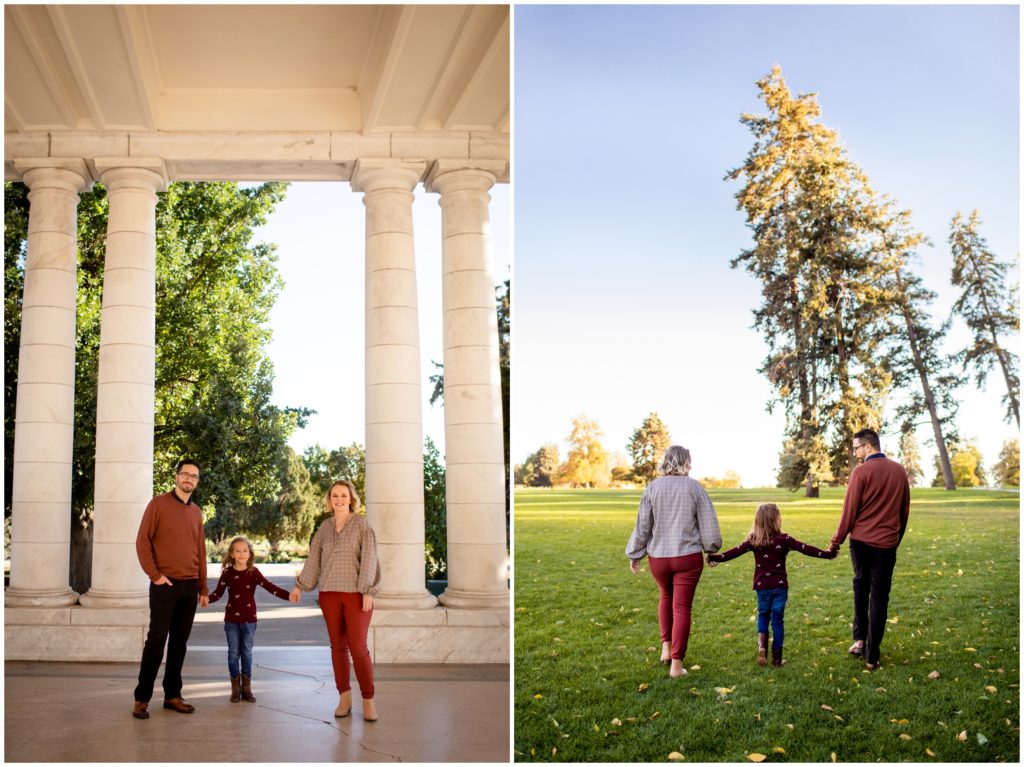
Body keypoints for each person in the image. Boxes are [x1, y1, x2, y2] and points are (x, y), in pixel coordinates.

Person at [626, 445, 723, 679]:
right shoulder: (695, 487)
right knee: (682, 608)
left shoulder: (653, 488)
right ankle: (677, 667)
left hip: (658, 558)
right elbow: (708, 525)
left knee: (665, 597)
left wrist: (635, 554)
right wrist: (711, 549)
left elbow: (643, 526)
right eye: (690, 460)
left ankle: (666, 649)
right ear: (685, 462)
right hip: (687, 557)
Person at [291, 480, 381, 721]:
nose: (339, 499)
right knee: (337, 647)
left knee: (358, 648)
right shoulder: (324, 528)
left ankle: (368, 700)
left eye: (343, 495)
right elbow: (314, 559)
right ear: (329, 500)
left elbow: (370, 559)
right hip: (329, 594)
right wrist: (300, 585)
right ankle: (344, 697)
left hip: (356, 595)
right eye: (335, 496)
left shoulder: (362, 525)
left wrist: (368, 591)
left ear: (351, 499)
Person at [707, 502, 837, 666]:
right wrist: (827, 554)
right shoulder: (785, 539)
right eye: (779, 517)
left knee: (763, 615)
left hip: (762, 587)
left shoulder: (754, 540)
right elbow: (806, 548)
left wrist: (715, 557)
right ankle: (776, 659)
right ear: (775, 520)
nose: (781, 519)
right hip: (780, 587)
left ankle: (762, 647)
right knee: (777, 621)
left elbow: (734, 552)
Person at [132, 459, 209, 720]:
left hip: (189, 586)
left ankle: (172, 695)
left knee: (179, 644)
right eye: (185, 474)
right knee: (156, 641)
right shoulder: (158, 504)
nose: (189, 479)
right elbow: (142, 541)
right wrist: (155, 576)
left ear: (197, 482)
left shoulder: (196, 512)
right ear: (176, 476)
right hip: (164, 585)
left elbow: (200, 551)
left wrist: (203, 587)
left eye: (194, 476)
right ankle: (142, 698)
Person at [829, 428, 910, 671]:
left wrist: (836, 541)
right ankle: (871, 655)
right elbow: (904, 511)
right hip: (887, 544)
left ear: (868, 446)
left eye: (856, 448)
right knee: (880, 598)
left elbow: (849, 511)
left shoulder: (861, 472)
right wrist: (895, 539)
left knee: (861, 589)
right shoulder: (899, 471)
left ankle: (860, 640)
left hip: (862, 543)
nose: (855, 453)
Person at [206, 536, 291, 702]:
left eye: (245, 550)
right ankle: (235, 689)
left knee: (246, 653)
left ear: (250, 553)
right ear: (232, 554)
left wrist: (288, 596)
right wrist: (205, 599)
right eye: (237, 551)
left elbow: (270, 587)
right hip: (231, 621)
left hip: (249, 621)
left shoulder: (253, 572)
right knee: (233, 654)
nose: (241, 554)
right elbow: (217, 594)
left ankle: (246, 689)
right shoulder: (227, 573)